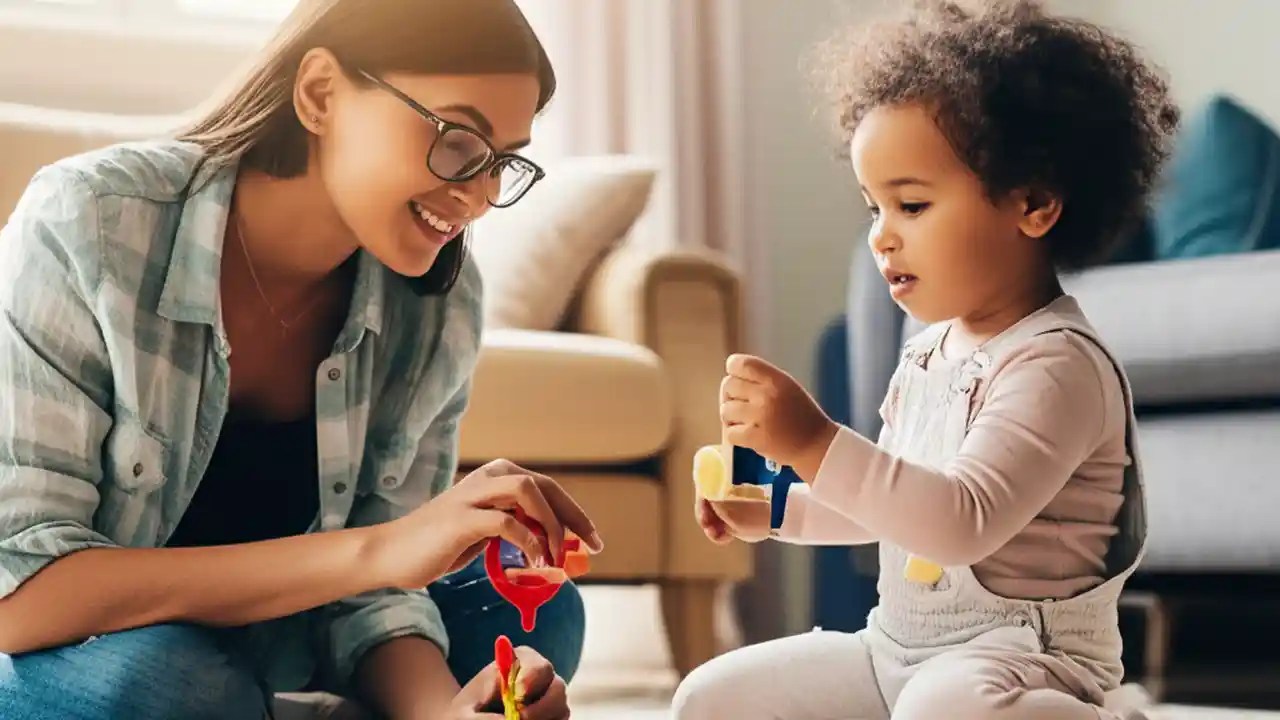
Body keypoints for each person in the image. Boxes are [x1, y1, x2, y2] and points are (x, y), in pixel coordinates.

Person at [0, 1, 604, 718]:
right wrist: (380, 549)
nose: (478, 196)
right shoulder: (93, 222)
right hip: (82, 652)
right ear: (320, 94)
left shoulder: (438, 298)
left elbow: (379, 597)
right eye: (458, 139)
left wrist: (442, 712)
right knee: (184, 688)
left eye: (502, 161)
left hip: (281, 647)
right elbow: (20, 593)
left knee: (537, 614)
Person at [674, 1, 1178, 718]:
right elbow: (888, 507)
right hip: (895, 652)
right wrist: (776, 509)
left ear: (1032, 202)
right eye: (872, 208)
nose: (882, 237)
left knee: (946, 710)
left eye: (910, 205)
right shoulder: (929, 354)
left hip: (1023, 660)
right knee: (711, 699)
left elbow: (957, 521)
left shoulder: (1058, 367)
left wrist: (813, 443)